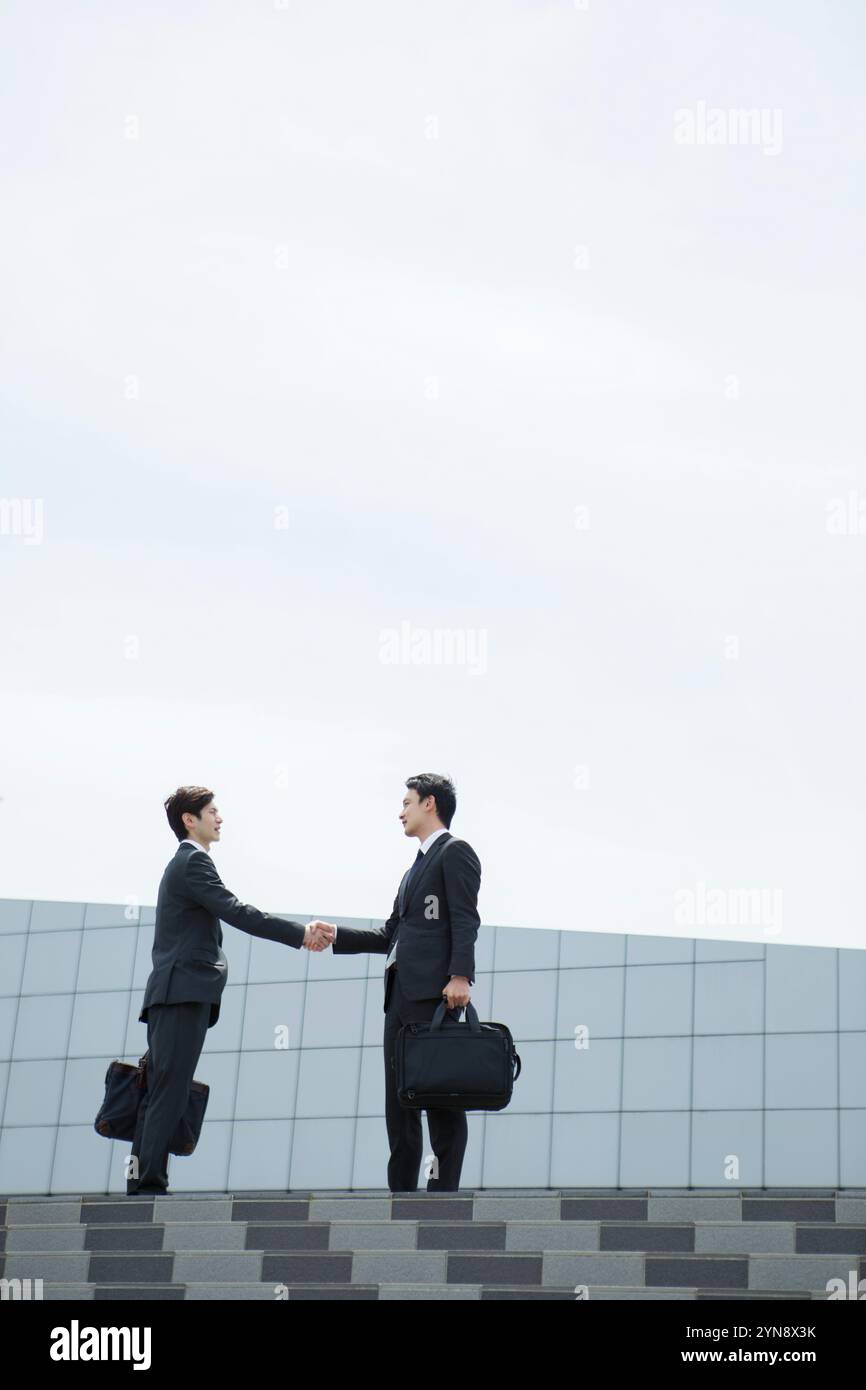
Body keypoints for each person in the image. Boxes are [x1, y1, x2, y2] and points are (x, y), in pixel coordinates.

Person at [128, 786, 332, 1196]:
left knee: (165, 1085)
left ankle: (145, 1179)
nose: (220, 818)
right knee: (170, 1086)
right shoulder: (192, 863)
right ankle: (148, 1185)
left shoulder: (186, 864)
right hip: (182, 991)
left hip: (176, 992)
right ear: (190, 819)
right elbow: (237, 911)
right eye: (212, 811)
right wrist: (300, 933)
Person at [307, 774, 481, 1193]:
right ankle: (400, 1192)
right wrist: (337, 934)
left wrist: (461, 975)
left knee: (440, 1097)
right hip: (399, 997)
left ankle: (443, 1193)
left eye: (407, 802)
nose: (400, 811)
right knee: (399, 1098)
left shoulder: (456, 852)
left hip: (435, 996)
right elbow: (390, 935)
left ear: (430, 804)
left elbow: (465, 917)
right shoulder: (411, 870)